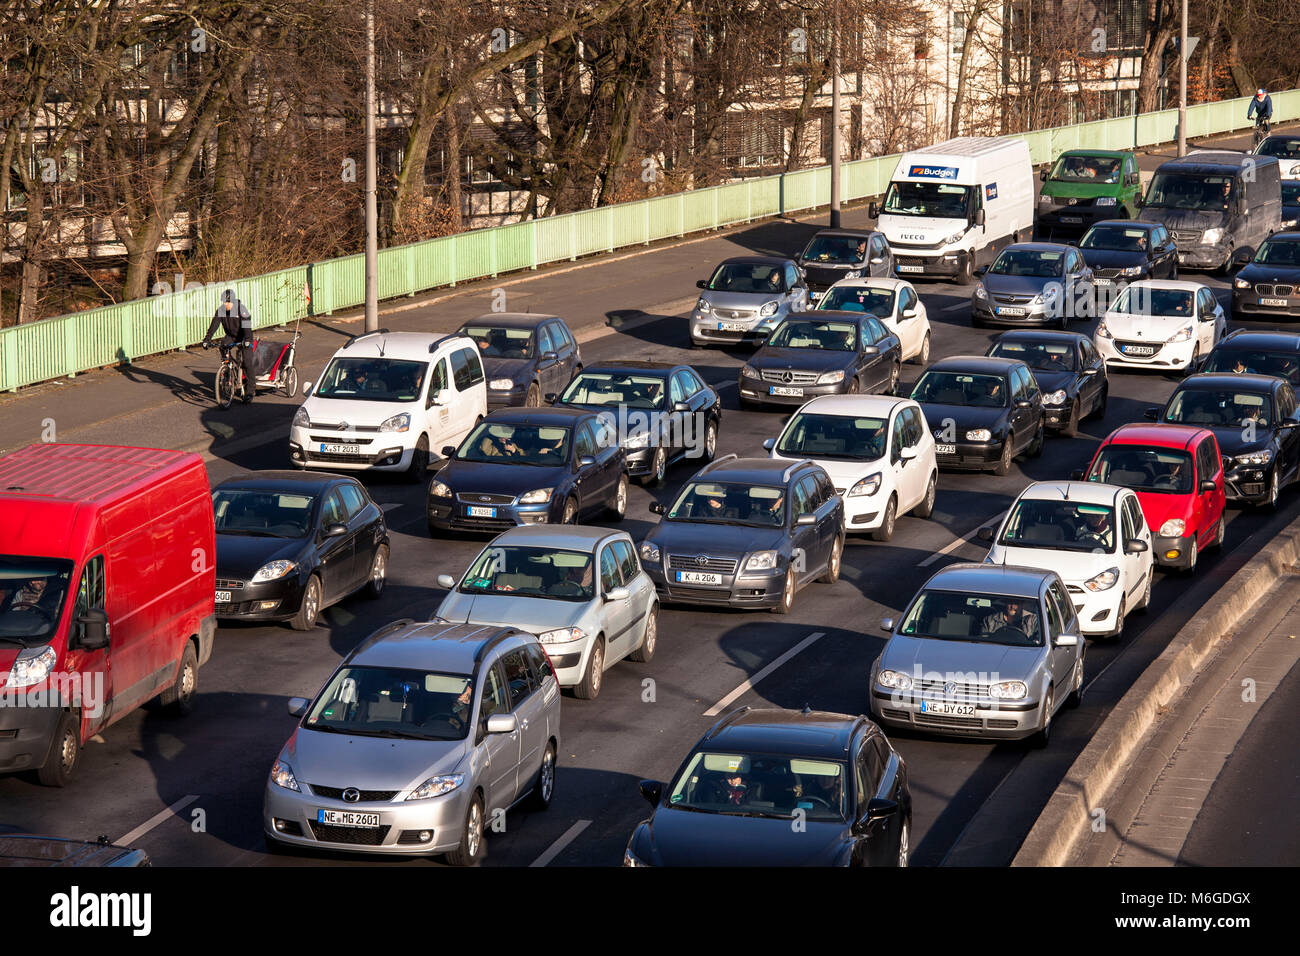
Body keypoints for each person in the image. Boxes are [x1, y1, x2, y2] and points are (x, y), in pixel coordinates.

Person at [201, 289, 257, 403]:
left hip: (244, 336)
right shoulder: (221, 310)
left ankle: (250, 391)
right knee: (223, 347)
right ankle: (229, 371)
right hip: (231, 336)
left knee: (247, 362)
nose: (225, 305)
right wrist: (207, 340)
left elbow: (247, 327)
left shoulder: (242, 309)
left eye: (227, 302)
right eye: (224, 302)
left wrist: (246, 341)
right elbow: (214, 326)